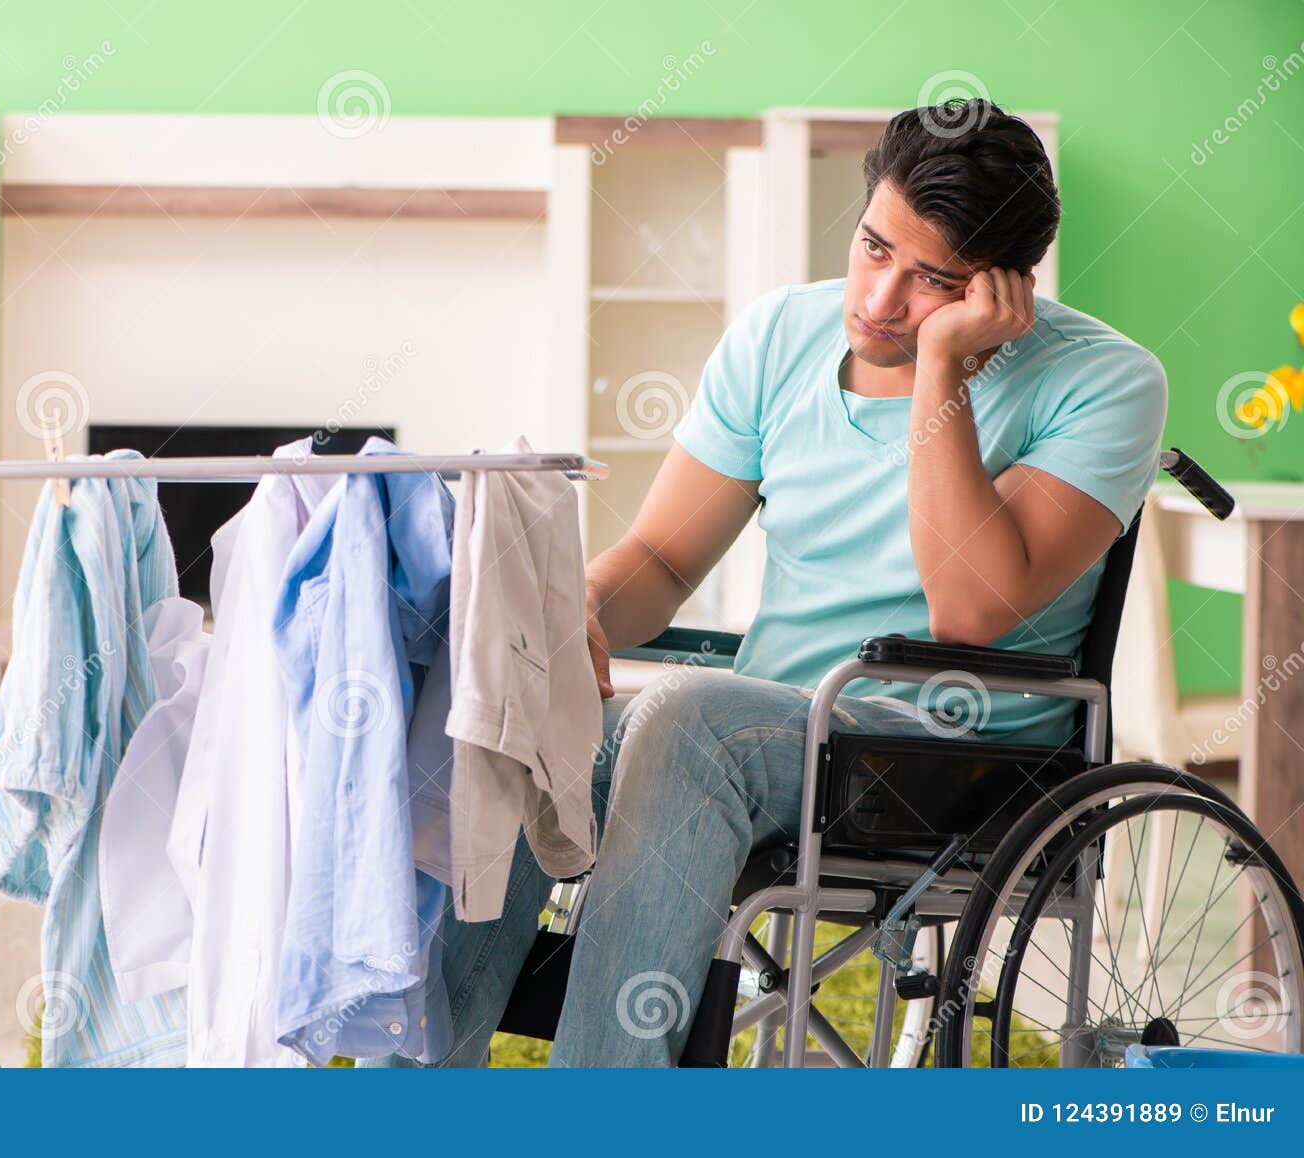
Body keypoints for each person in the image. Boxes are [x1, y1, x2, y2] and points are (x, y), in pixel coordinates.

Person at [365, 97, 1168, 1067]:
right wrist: (562, 614)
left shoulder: (1107, 382)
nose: (877, 300)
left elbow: (970, 607)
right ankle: (412, 1081)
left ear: (1004, 290)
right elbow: (662, 560)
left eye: (931, 282)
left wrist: (941, 372)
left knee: (686, 720)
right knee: (521, 710)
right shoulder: (778, 337)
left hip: (947, 757)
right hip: (768, 730)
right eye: (873, 248)